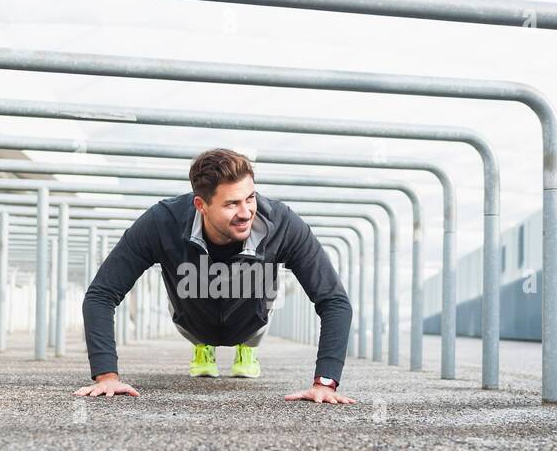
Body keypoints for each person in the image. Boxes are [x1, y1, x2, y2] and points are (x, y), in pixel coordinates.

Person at [74, 148, 355, 405]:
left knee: (258, 281)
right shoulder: (162, 222)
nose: (246, 213)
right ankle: (203, 347)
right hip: (192, 320)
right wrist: (106, 376)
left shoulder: (282, 223)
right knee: (194, 292)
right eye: (232, 204)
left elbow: (334, 300)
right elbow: (101, 294)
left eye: (250, 198)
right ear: (201, 205)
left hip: (251, 321)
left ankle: (247, 349)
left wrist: (325, 383)